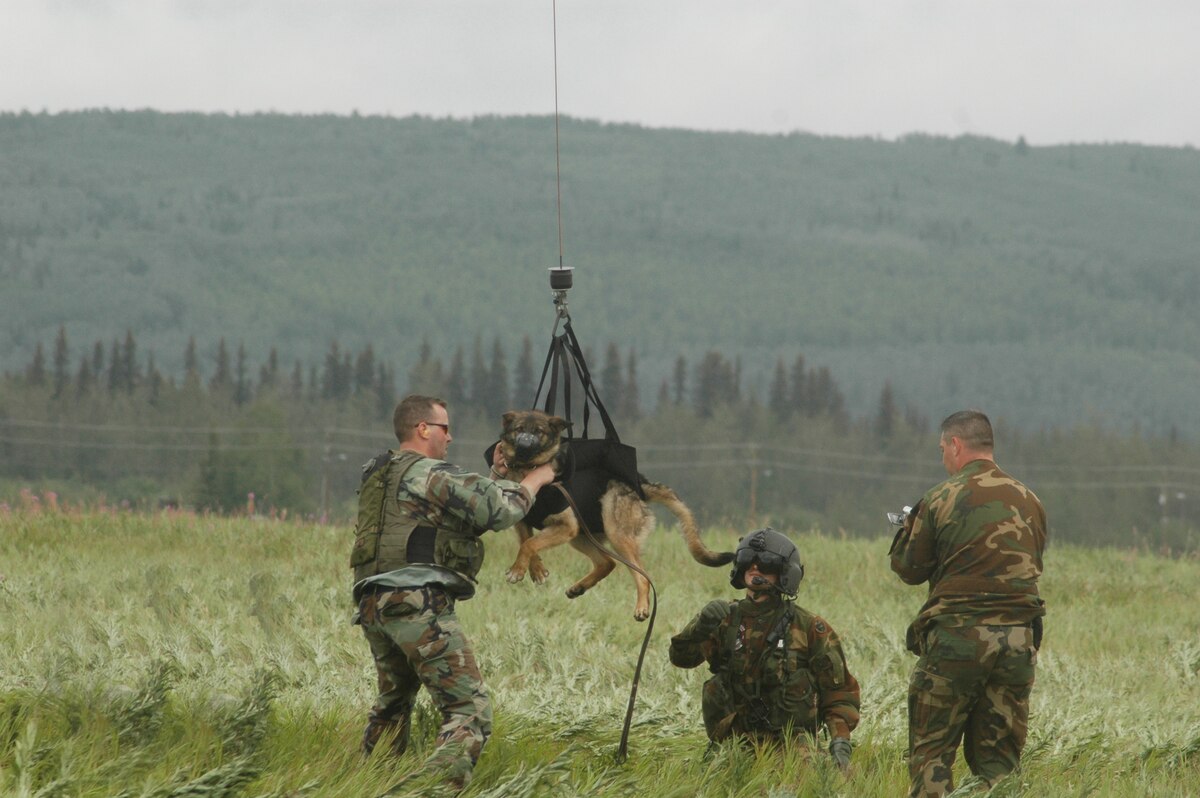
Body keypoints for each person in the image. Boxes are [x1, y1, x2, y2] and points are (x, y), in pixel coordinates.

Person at [350, 394, 556, 791]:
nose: (451, 436)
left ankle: (367, 786)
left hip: (375, 605)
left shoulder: (381, 473)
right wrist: (536, 479)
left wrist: (497, 476)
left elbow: (452, 522)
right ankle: (430, 791)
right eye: (445, 428)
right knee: (469, 710)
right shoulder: (431, 473)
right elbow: (500, 512)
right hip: (417, 604)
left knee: (393, 705)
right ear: (423, 429)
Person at [889, 410, 1047, 798]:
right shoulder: (1031, 500)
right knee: (1000, 764)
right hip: (1016, 644)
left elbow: (909, 568)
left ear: (956, 445)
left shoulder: (941, 498)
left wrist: (905, 530)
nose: (943, 456)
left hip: (958, 640)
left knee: (932, 754)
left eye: (943, 448)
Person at [669, 527, 860, 772]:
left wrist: (840, 742)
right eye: (748, 559)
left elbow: (839, 693)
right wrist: (699, 628)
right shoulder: (724, 618)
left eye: (766, 562)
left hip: (791, 744)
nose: (755, 568)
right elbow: (681, 659)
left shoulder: (810, 627)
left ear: (785, 573)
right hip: (733, 742)